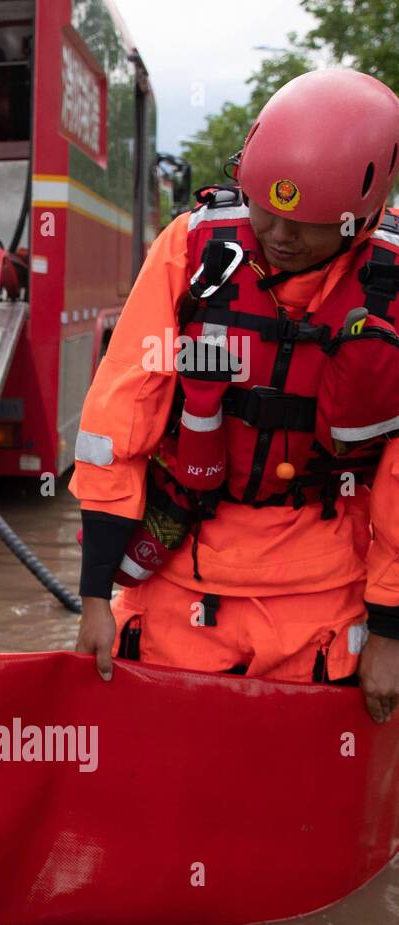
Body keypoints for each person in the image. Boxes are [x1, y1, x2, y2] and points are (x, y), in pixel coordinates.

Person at [71, 69, 399, 723]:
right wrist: (94, 595)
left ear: (361, 218)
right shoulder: (191, 248)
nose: (277, 234)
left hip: (322, 596)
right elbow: (120, 415)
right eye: (263, 209)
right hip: (177, 579)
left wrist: (390, 632)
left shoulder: (388, 287)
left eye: (303, 225)